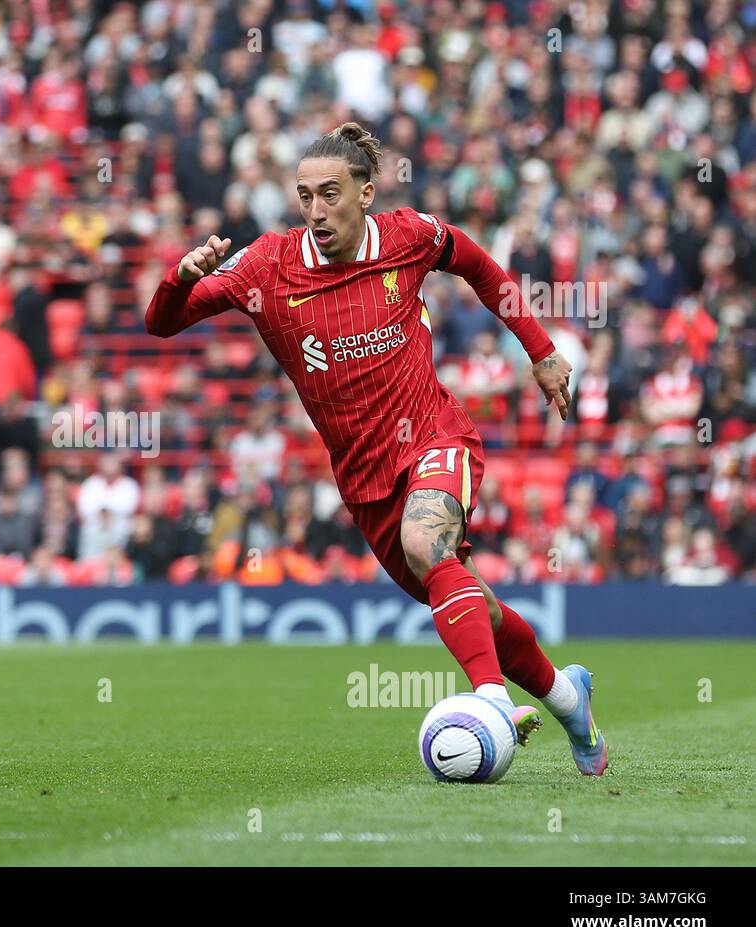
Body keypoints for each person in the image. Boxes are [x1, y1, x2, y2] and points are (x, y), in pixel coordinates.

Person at [144, 123, 607, 776]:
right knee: (471, 601)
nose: (315, 209)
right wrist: (178, 275)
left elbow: (477, 263)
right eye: (304, 195)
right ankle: (567, 697)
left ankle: (491, 701)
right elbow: (159, 324)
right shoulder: (265, 267)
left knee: (427, 546)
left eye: (329, 193)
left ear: (366, 193)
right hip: (364, 480)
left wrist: (540, 349)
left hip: (435, 436)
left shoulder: (408, 236)